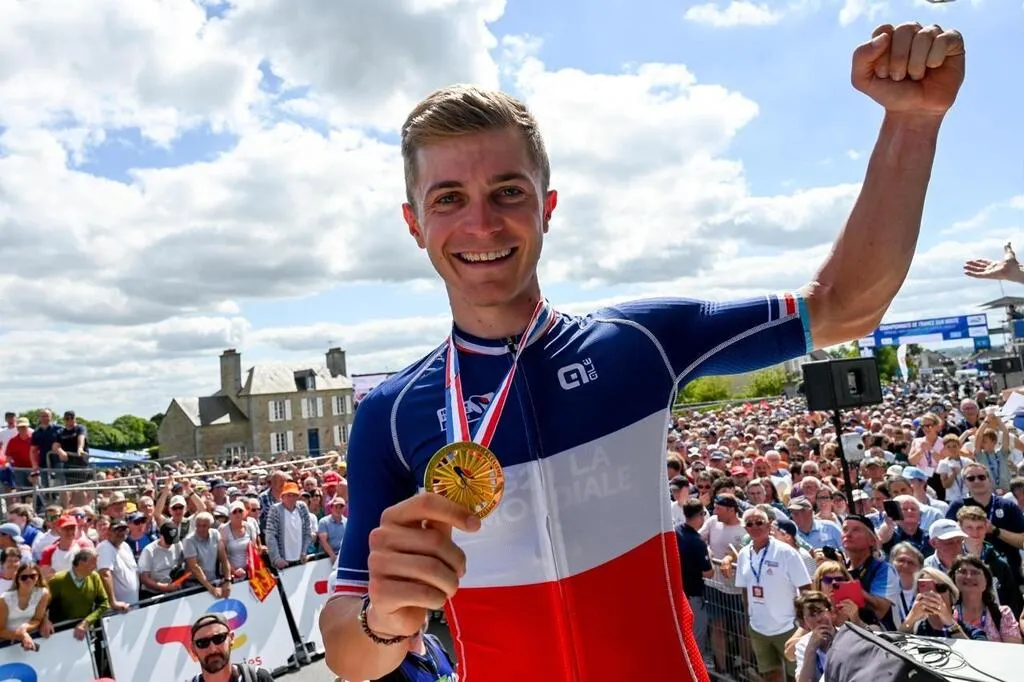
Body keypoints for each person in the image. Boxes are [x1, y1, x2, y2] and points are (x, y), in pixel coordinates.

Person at [320, 22, 967, 682]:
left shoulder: (638, 344)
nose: (481, 224)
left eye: (507, 192)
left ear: (547, 206)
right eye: (448, 198)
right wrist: (383, 621)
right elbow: (348, 651)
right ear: (414, 224)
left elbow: (841, 306)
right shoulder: (392, 415)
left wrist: (912, 124)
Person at [188, 613, 273, 682]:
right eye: (202, 643)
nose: (212, 649)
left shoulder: (258, 678)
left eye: (219, 638)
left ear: (231, 638)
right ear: (193, 649)